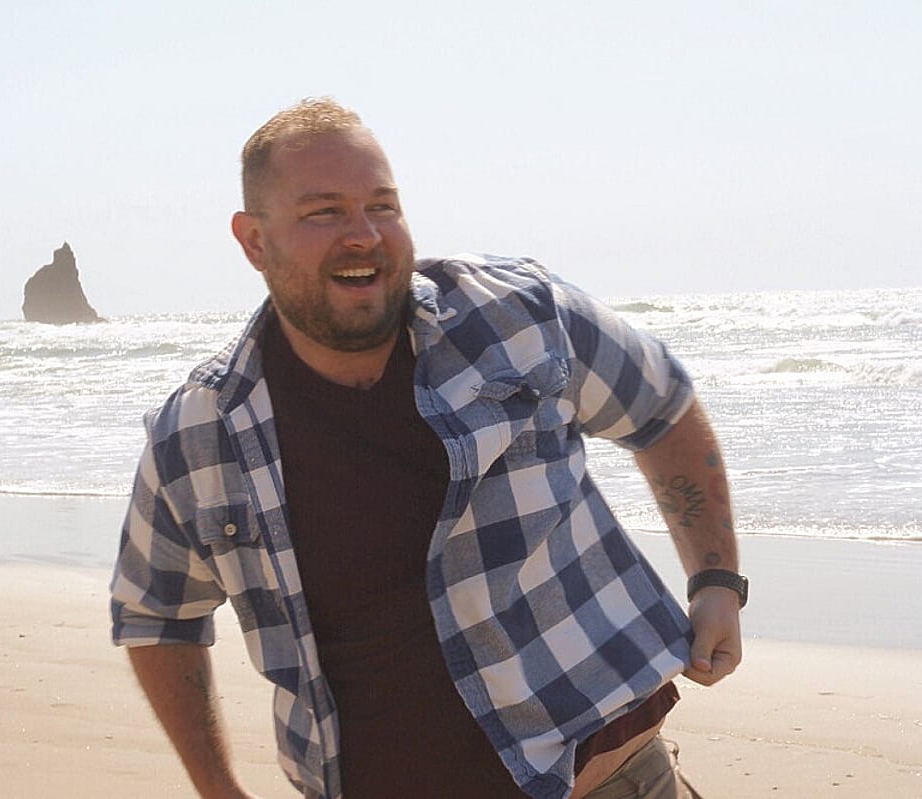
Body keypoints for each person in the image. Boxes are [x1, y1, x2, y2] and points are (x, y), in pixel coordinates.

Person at [110, 98, 745, 799]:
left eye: (382, 205)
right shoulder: (200, 434)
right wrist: (217, 786)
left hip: (617, 784)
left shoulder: (515, 315)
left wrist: (716, 580)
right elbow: (157, 613)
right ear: (254, 241)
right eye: (324, 212)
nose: (364, 235)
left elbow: (660, 404)